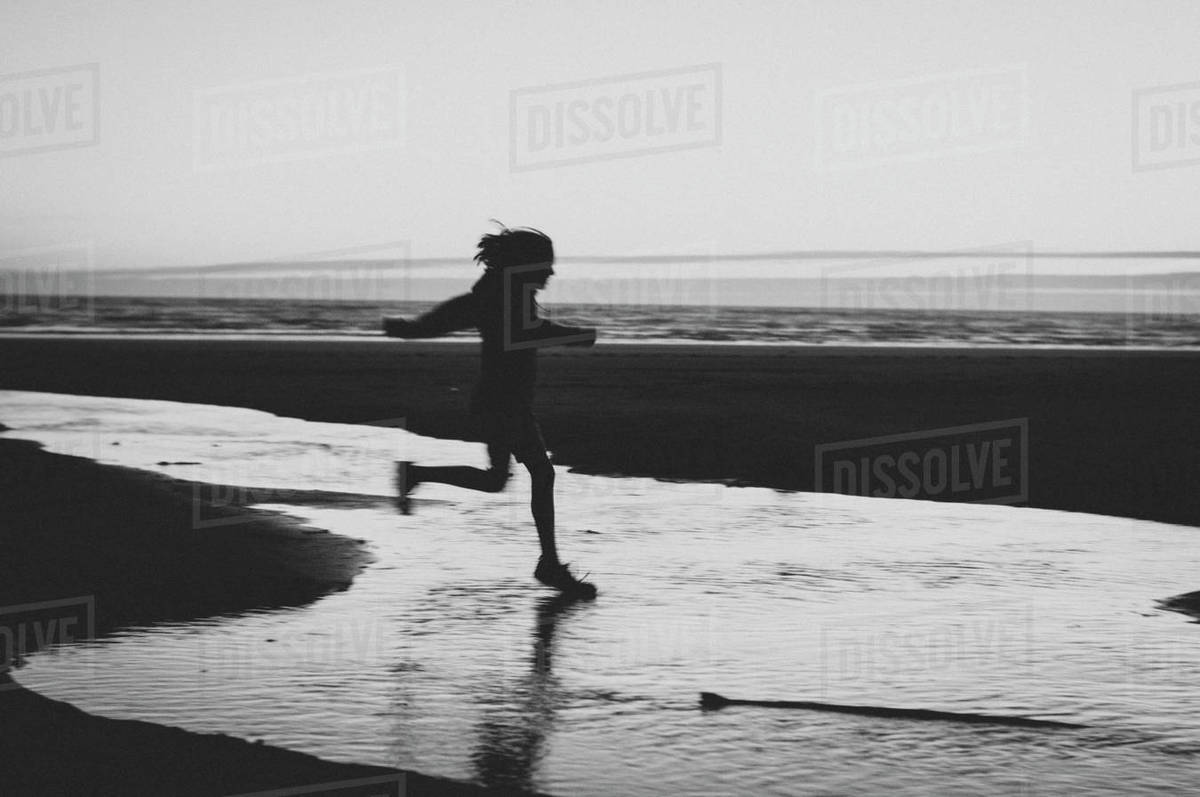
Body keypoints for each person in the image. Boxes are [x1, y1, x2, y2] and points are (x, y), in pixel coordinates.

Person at [383, 224, 598, 598]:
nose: (551, 272)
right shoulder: (503, 298)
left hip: (500, 400)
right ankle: (548, 562)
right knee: (541, 474)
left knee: (497, 480)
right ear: (525, 266)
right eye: (546, 265)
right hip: (504, 402)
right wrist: (571, 335)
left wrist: (415, 327)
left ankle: (415, 473)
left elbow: (457, 313)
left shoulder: (501, 295)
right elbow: (522, 333)